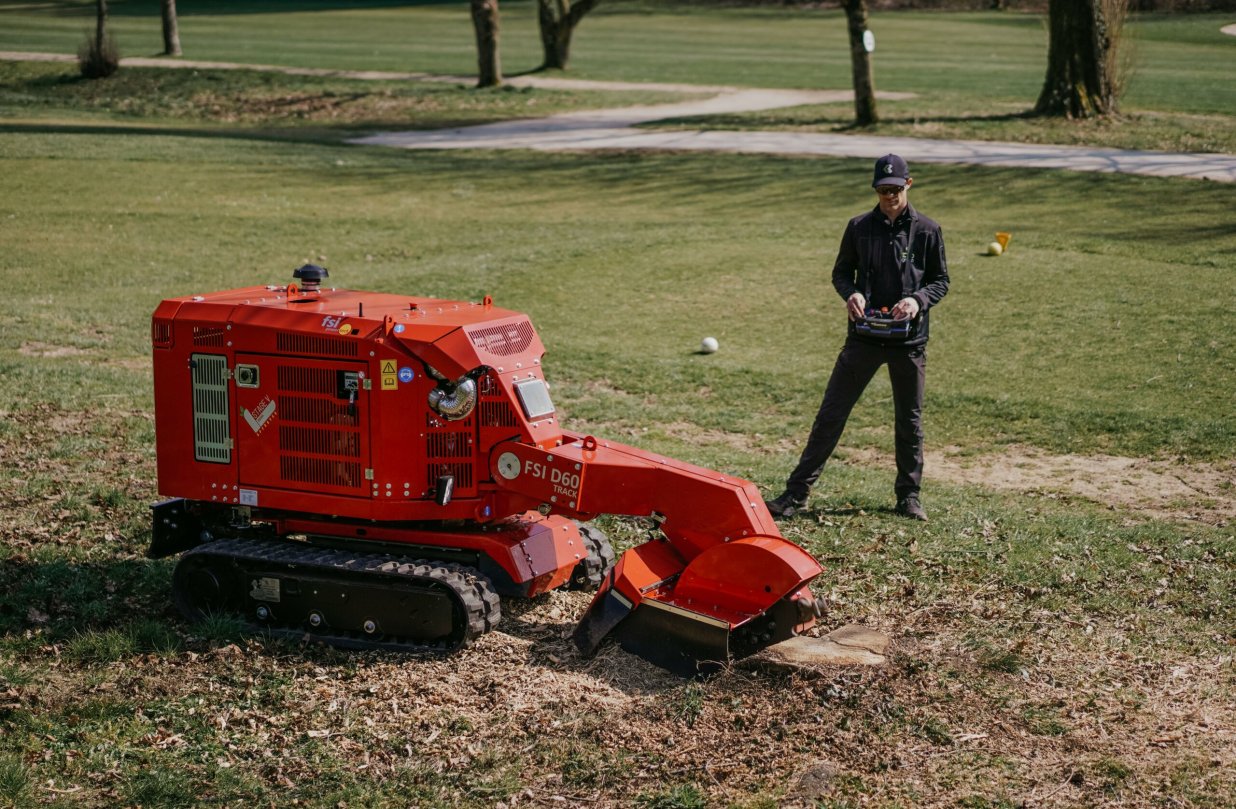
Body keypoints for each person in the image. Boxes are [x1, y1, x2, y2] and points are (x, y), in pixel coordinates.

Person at [765, 154, 949, 522]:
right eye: (882, 190)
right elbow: (840, 273)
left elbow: (940, 281)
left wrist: (917, 300)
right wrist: (851, 293)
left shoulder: (928, 230)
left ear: (908, 185)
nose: (889, 197)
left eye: (895, 189)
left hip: (908, 342)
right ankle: (795, 494)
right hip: (863, 338)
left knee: (909, 422)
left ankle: (908, 496)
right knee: (831, 414)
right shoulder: (859, 227)